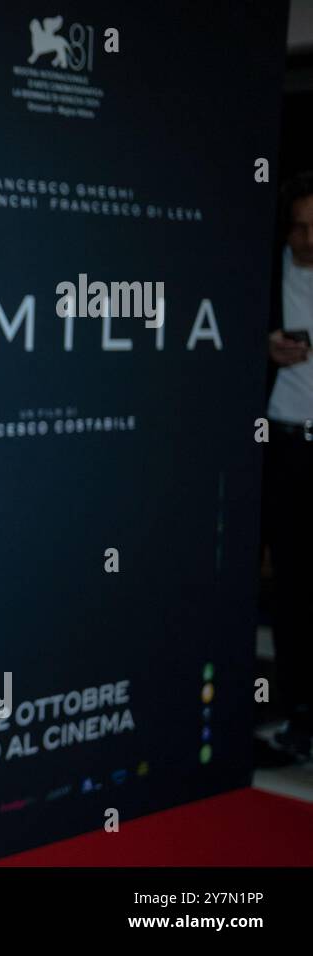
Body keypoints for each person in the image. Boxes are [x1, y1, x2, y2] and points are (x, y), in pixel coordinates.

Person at [263, 171, 313, 760]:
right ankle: (300, 716)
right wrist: (265, 346)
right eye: (297, 226)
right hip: (284, 443)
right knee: (293, 589)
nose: (305, 239)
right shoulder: (266, 270)